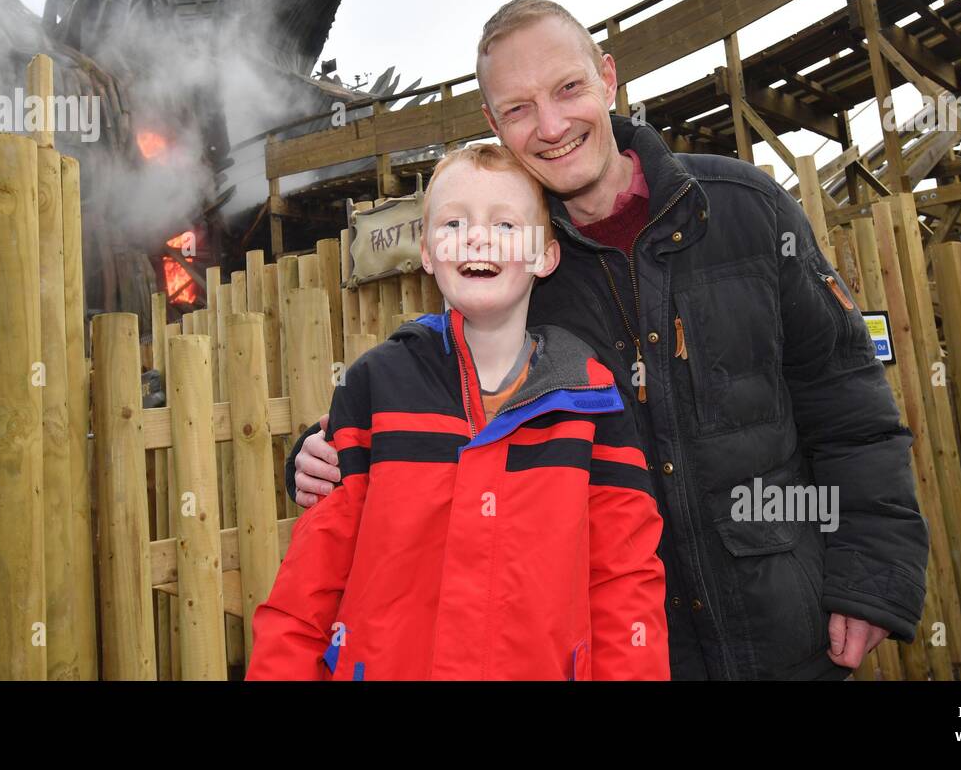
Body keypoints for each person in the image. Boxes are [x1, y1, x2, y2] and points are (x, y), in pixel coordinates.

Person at [289, 0, 930, 680]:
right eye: (518, 108)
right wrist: (319, 450)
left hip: (787, 634)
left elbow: (848, 405)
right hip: (613, 650)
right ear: (493, 123)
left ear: (607, 78)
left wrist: (870, 575)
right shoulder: (514, 271)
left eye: (568, 88)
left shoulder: (746, 210)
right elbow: (428, 411)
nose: (552, 125)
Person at [247, 142, 670, 680]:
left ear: (545, 254)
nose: (476, 236)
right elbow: (310, 583)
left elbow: (624, 581)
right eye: (453, 223)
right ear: (426, 252)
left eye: (506, 225)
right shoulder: (374, 386)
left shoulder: (594, 401)